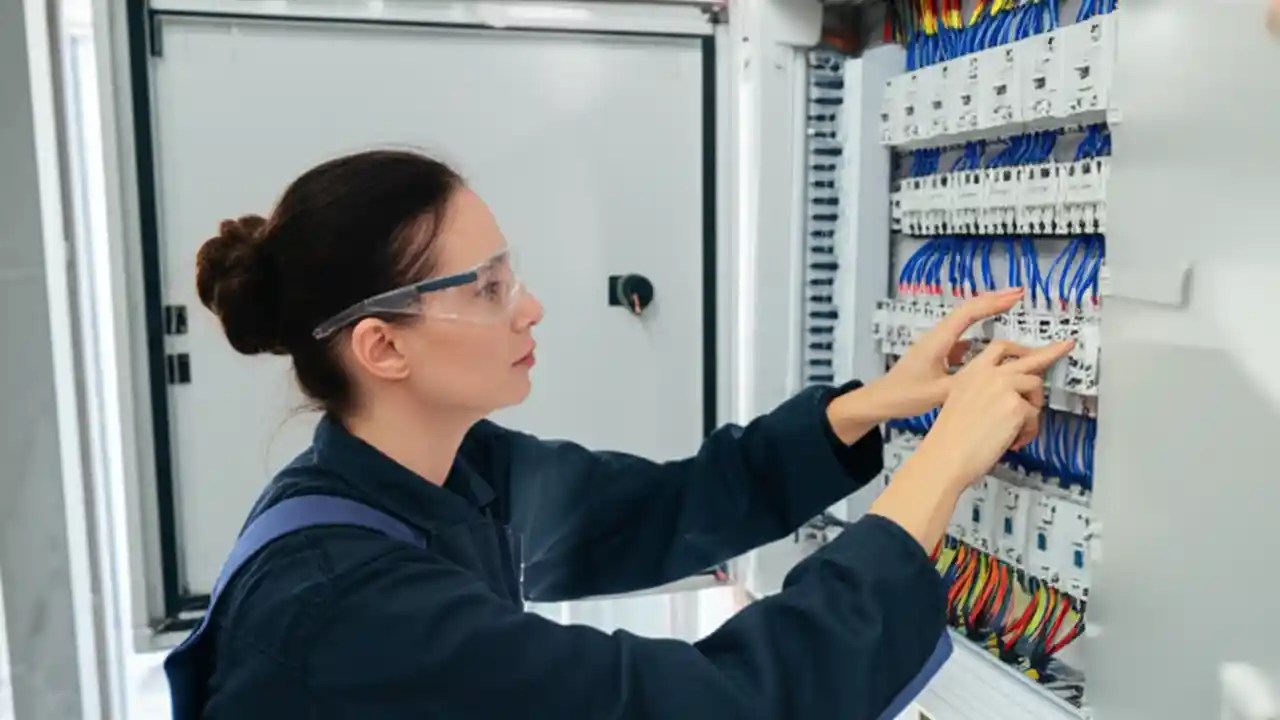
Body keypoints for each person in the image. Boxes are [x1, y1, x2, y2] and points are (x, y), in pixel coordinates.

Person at [165, 149, 1072, 720]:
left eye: (509, 274)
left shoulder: (439, 474)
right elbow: (723, 705)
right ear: (382, 346)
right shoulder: (345, 610)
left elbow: (658, 509)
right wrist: (943, 467)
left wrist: (866, 407)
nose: (530, 308)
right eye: (485, 288)